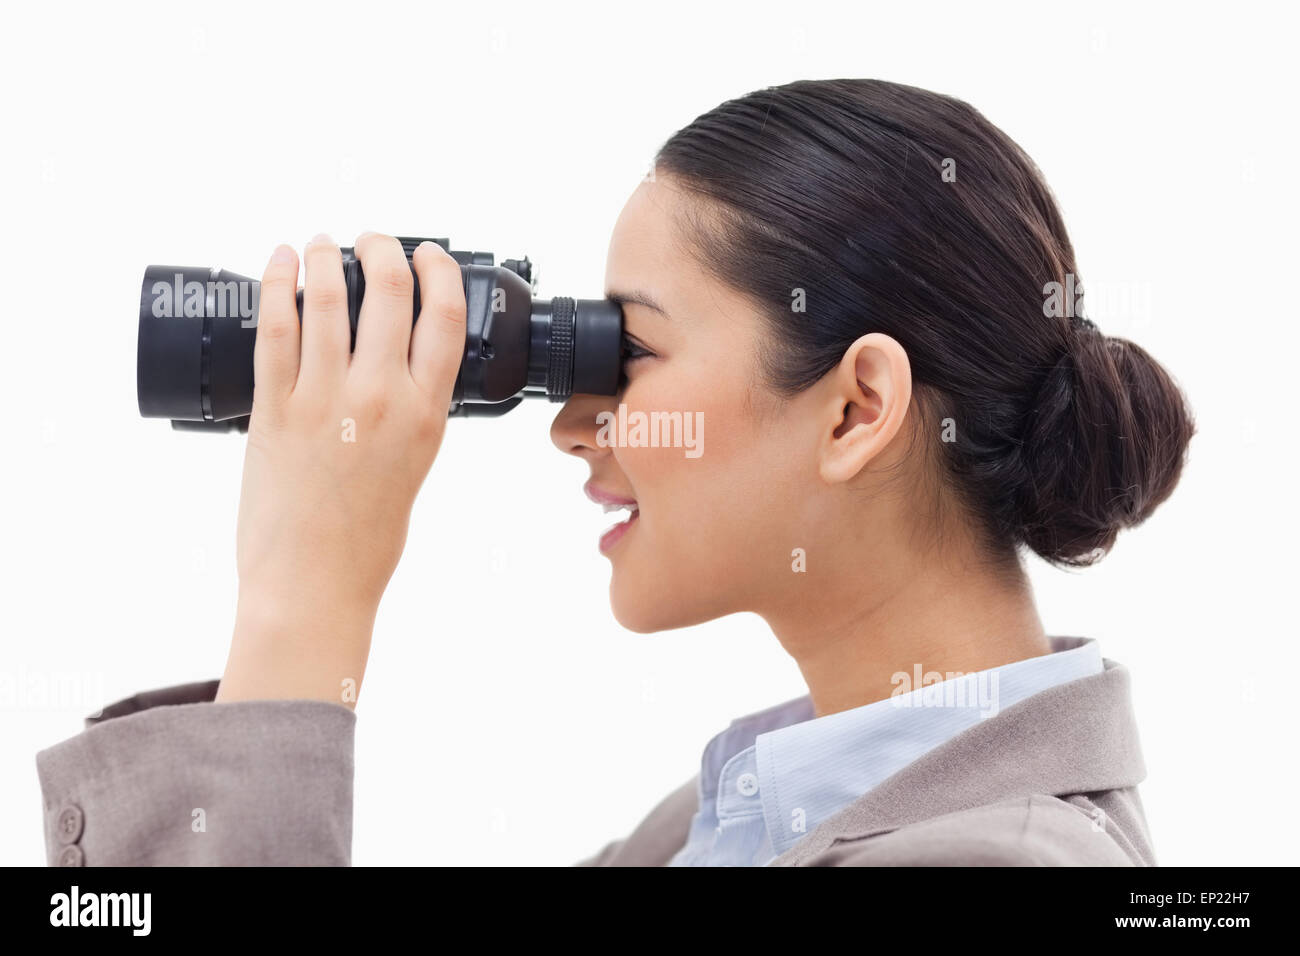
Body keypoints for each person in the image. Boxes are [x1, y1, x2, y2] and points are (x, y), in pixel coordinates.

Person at [36, 79, 1193, 866]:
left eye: (629, 351)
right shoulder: (744, 811)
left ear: (855, 408)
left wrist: (304, 602)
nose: (572, 425)